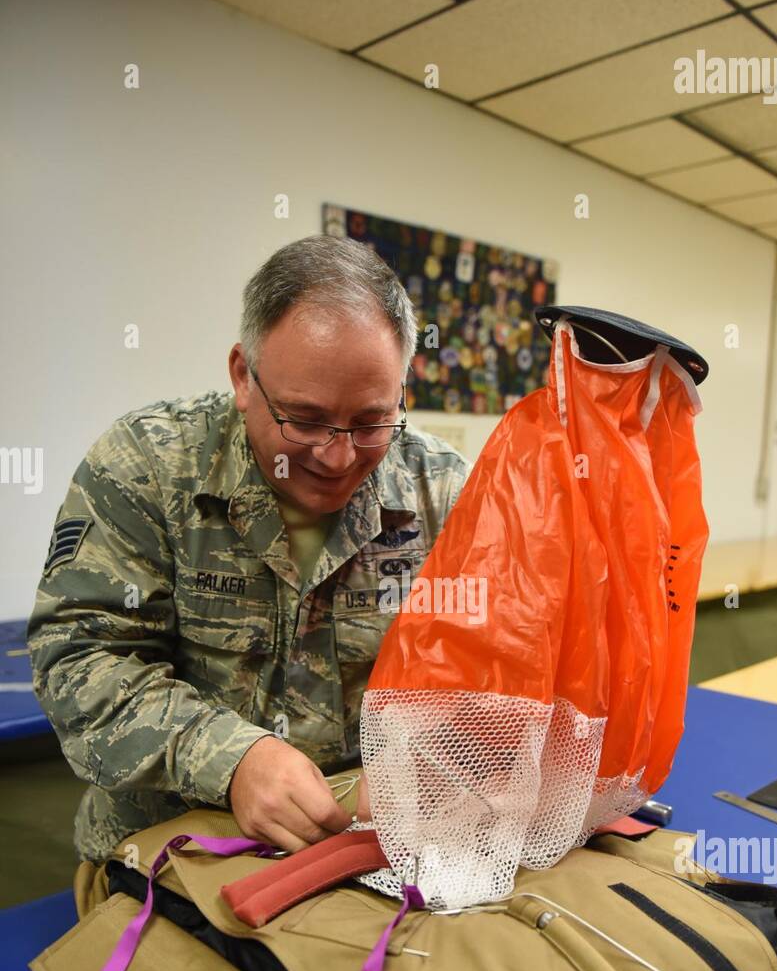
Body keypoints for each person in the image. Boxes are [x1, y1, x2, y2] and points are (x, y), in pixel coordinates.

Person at [28, 235, 469, 902]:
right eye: (305, 419)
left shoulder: (442, 492)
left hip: (375, 863)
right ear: (242, 375)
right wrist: (229, 759)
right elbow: (78, 661)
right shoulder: (149, 467)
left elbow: (491, 665)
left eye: (372, 421)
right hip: (171, 858)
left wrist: (430, 750)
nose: (337, 454)